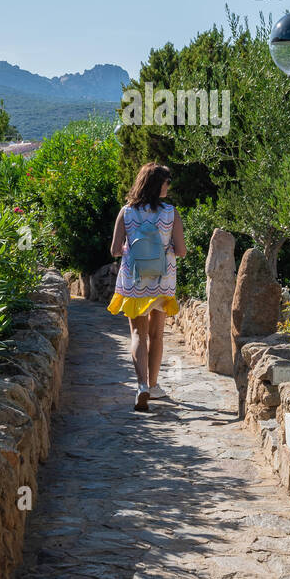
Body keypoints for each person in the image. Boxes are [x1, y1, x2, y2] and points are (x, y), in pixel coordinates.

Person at [108, 162, 187, 411]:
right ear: (157, 184)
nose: (168, 185)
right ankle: (153, 385)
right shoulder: (170, 212)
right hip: (162, 280)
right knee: (156, 334)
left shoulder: (127, 211)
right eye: (166, 181)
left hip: (134, 281)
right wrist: (167, 249)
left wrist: (131, 249)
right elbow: (182, 251)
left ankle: (141, 385)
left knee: (137, 334)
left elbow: (114, 250)